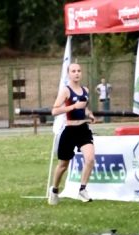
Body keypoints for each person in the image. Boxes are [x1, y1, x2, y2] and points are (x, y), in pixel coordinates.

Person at [48, 63, 96, 205]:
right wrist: (73, 106)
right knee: (63, 165)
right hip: (69, 131)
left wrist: (90, 114)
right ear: (68, 74)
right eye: (73, 71)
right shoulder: (65, 91)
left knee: (90, 159)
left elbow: (84, 107)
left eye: (79, 71)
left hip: (83, 130)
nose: (76, 73)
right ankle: (54, 189)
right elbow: (54, 111)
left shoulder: (85, 90)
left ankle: (82, 189)